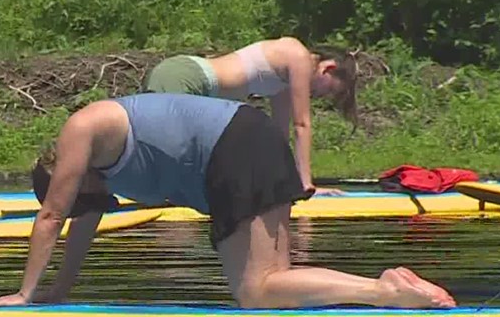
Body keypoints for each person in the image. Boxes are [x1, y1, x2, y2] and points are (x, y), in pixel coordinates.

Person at [0, 93, 456, 310]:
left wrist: (24, 294)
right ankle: (386, 286)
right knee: (277, 290)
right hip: (254, 136)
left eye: (80, 196)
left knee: (255, 293)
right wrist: (59, 290)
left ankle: (386, 293)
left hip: (235, 150)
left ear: (62, 175)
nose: (95, 203)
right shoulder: (95, 166)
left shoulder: (80, 129)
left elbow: (53, 216)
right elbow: (80, 223)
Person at [143, 37, 371, 197]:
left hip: (193, 87)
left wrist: (286, 183)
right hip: (186, 79)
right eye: (330, 89)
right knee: (178, 165)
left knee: (184, 166)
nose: (321, 95)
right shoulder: (298, 56)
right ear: (327, 69)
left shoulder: (283, 79)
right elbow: (302, 125)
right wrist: (305, 185)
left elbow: (279, 135)